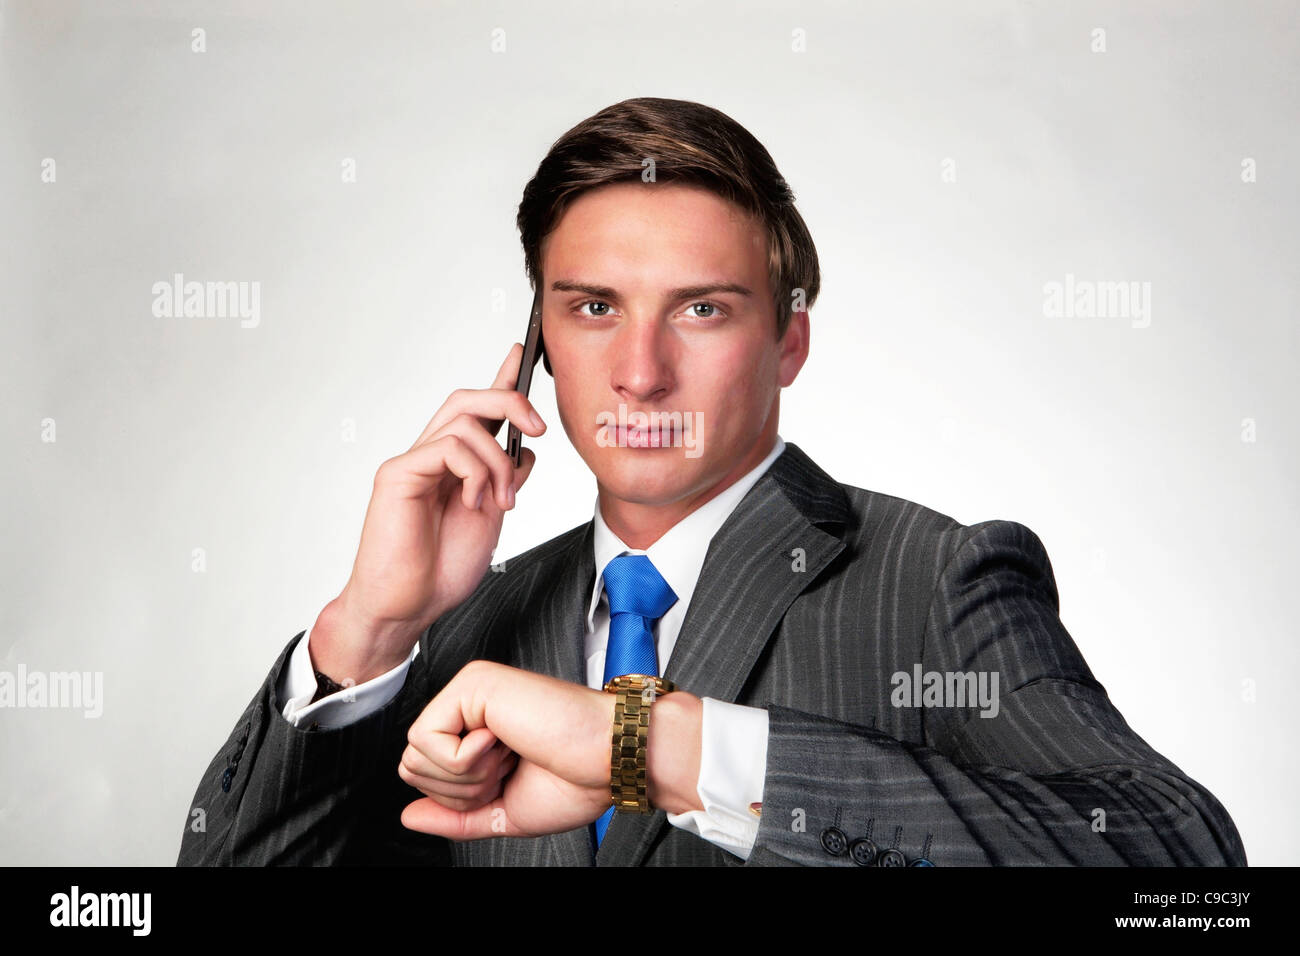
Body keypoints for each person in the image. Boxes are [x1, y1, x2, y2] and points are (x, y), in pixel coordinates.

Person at [177, 97, 1246, 866]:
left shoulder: (933, 581)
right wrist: (363, 633)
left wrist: (647, 746)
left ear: (788, 342)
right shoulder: (461, 628)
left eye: (701, 308)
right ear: (536, 343)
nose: (639, 372)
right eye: (593, 307)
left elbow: (1180, 864)